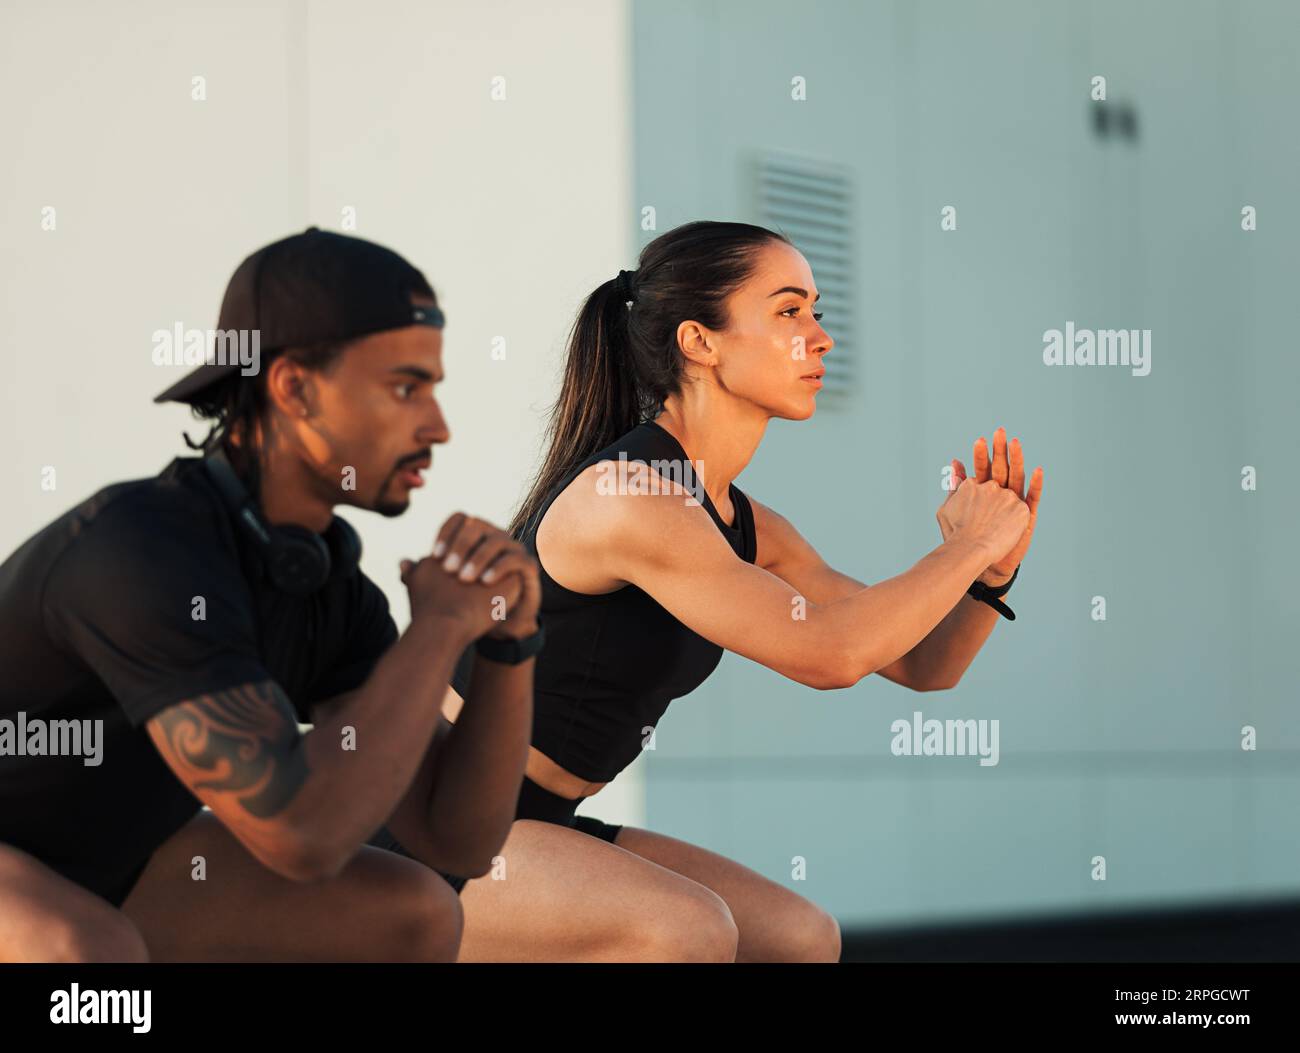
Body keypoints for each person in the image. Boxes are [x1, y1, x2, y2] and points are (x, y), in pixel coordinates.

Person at [376, 220, 1044, 962]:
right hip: (417, 824)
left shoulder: (744, 521)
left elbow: (922, 663)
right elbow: (829, 652)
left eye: (816, 311)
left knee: (799, 938)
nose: (820, 336)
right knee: (684, 928)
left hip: (540, 821)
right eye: (789, 311)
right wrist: (970, 543)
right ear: (700, 341)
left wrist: (988, 571)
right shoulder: (629, 499)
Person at [0, 228, 543, 962]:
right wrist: (440, 628)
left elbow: (458, 837)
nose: (438, 427)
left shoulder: (319, 580)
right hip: (47, 895)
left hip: (99, 871)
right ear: (293, 387)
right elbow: (300, 835)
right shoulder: (142, 551)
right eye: (405, 387)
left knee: (412, 912)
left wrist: (509, 647)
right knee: (82, 953)